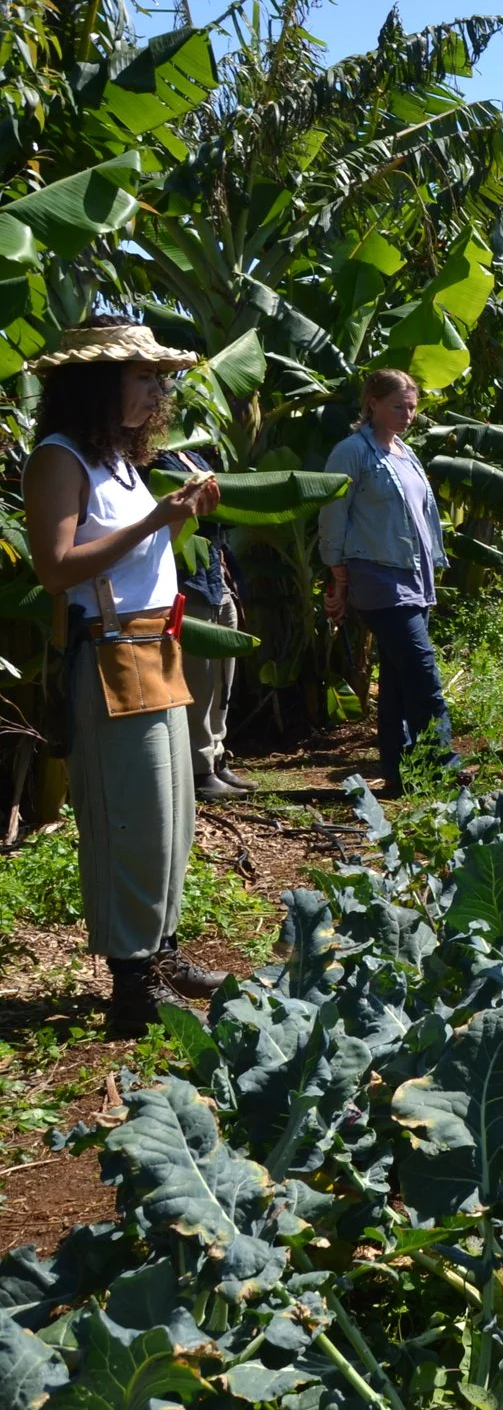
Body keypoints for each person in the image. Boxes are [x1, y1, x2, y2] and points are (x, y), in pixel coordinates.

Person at [24, 321, 227, 1035]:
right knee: (128, 820)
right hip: (109, 653)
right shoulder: (61, 458)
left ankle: (162, 951)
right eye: (143, 378)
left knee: (171, 817)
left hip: (154, 649)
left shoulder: (119, 460)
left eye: (159, 379)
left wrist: (176, 517)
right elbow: (56, 567)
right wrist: (153, 523)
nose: (158, 391)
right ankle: (132, 984)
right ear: (97, 385)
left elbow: (129, 560)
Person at [320, 369, 453, 799]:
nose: (407, 414)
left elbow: (423, 516)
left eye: (412, 406)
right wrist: (336, 570)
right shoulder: (351, 452)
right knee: (422, 671)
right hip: (376, 575)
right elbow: (333, 513)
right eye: (398, 405)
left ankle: (400, 771)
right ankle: (440, 765)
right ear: (372, 404)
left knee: (397, 677)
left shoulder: (405, 453)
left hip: (415, 575)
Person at [163, 441, 253, 799]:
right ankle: (199, 768)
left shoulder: (195, 456)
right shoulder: (156, 462)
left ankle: (218, 756)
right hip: (188, 579)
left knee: (221, 678)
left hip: (217, 576)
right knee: (197, 681)